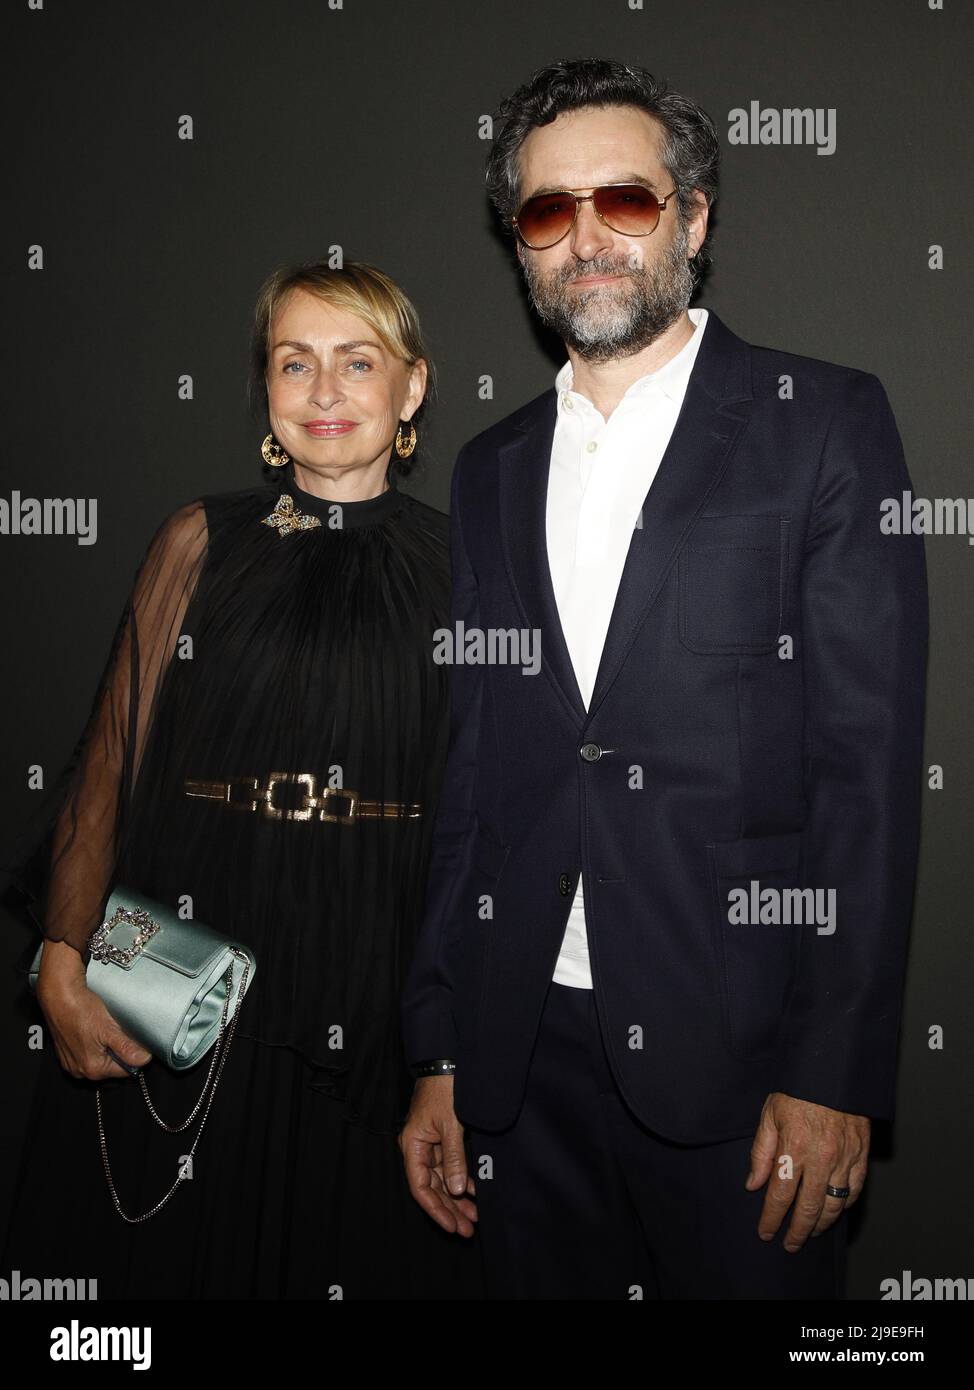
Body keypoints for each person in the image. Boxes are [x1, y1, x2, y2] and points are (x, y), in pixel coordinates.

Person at [399, 58, 928, 1299]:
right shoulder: (488, 468)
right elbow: (469, 778)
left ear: (691, 217)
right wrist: (437, 1043)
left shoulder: (823, 421)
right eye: (545, 211)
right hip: (520, 1062)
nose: (584, 236)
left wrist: (835, 1069)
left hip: (745, 1067)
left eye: (622, 200)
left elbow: (867, 774)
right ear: (520, 245)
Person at [2, 259, 485, 1300]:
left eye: (356, 363)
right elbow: (110, 754)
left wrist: (442, 1058)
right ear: (264, 390)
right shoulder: (201, 539)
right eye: (292, 362)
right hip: (178, 961)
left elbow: (476, 818)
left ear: (410, 390)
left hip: (364, 976)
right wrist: (62, 945)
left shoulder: (467, 570)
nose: (322, 392)